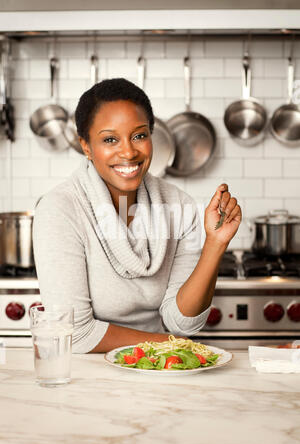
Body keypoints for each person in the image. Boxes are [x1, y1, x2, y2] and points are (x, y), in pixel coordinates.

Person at [33, 78, 242, 354]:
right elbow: (76, 332)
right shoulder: (60, 209)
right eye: (110, 139)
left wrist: (215, 244)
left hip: (157, 367)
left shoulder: (179, 206)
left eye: (139, 135)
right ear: (86, 146)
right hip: (88, 373)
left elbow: (182, 323)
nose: (129, 152)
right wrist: (172, 345)